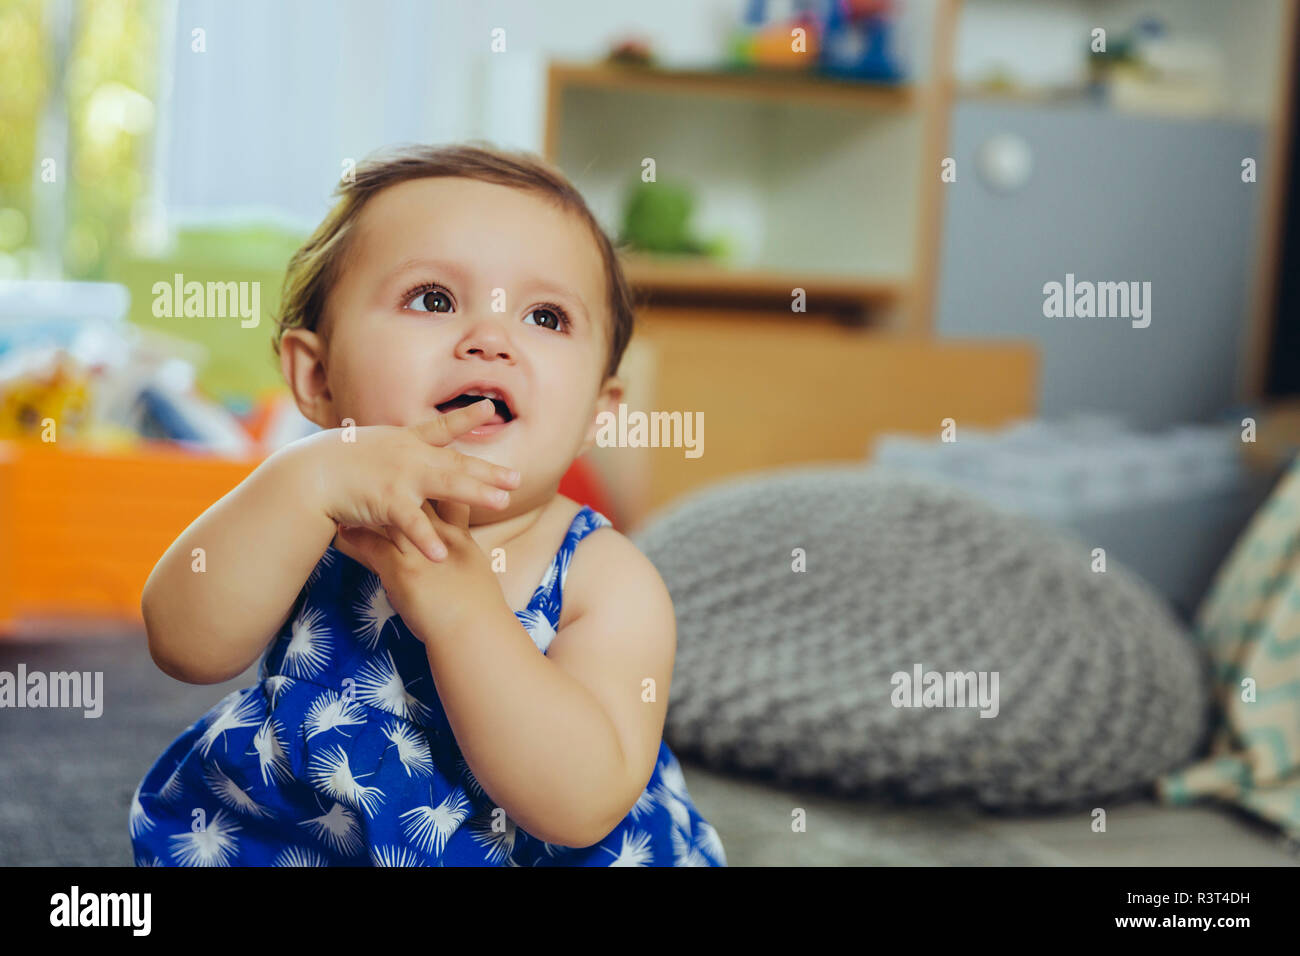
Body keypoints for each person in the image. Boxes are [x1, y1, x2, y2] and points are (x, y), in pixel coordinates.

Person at [128, 142, 726, 867]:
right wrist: (303, 481)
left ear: (599, 413)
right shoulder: (313, 514)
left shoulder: (607, 578)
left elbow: (580, 803)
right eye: (434, 299)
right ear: (316, 378)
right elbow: (185, 645)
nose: (491, 340)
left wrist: (464, 614)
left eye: (545, 317)